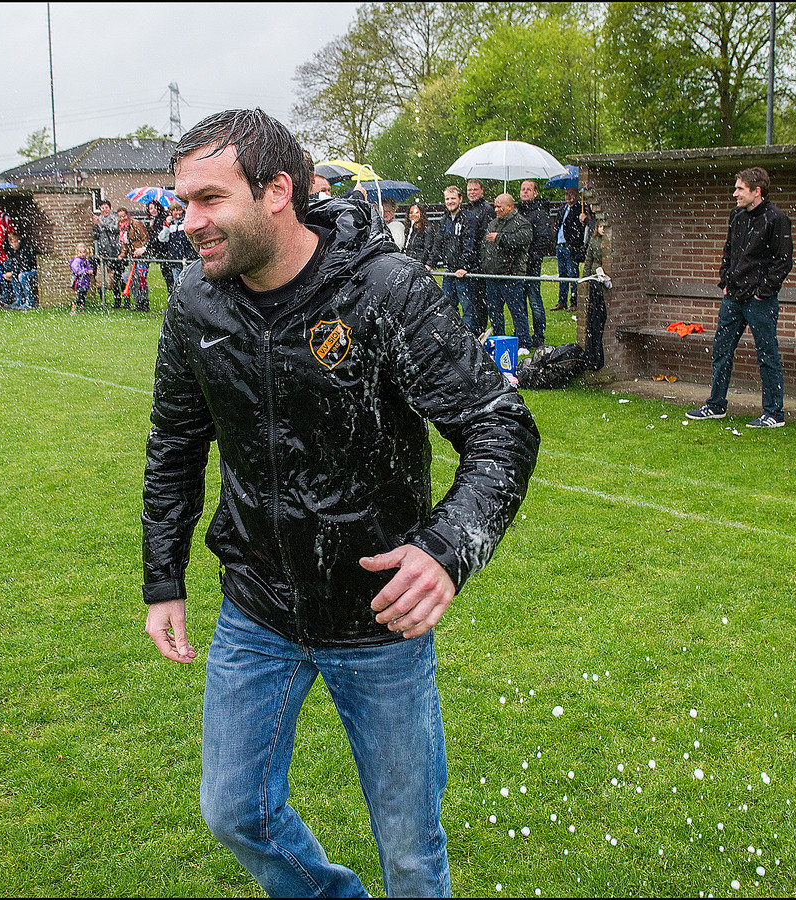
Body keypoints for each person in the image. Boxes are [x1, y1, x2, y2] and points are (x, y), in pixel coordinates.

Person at [142, 108, 538, 899]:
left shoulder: (382, 289)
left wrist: (447, 546)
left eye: (208, 200)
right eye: (184, 201)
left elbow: (499, 425)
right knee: (234, 815)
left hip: (377, 620)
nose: (188, 224)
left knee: (410, 848)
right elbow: (175, 444)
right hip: (257, 607)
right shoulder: (195, 303)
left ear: (276, 191)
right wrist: (163, 576)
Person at [687, 166, 794, 428]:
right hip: (732, 297)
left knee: (767, 355)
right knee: (721, 350)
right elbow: (729, 250)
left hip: (759, 301)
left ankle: (774, 413)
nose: (735, 193)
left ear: (757, 191)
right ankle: (716, 405)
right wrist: (725, 280)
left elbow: (783, 262)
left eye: (740, 189)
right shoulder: (736, 216)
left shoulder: (776, 219)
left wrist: (762, 292)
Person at [481, 192, 534, 350]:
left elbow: (523, 240)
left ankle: (524, 342)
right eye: (495, 206)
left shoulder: (522, 223)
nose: (496, 209)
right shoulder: (492, 223)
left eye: (500, 206)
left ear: (510, 207)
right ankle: (498, 340)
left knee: (517, 311)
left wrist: (500, 237)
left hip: (511, 276)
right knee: (494, 312)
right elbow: (485, 247)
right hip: (492, 275)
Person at [436, 185, 479, 331]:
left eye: (453, 198)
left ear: (460, 199)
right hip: (449, 270)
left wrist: (464, 266)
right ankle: (452, 334)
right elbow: (438, 243)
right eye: (447, 199)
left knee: (467, 307)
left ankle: (469, 336)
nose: (450, 201)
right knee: (448, 306)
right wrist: (429, 263)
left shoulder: (468, 218)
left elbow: (470, 244)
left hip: (464, 272)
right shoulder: (444, 219)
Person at [516, 180, 553, 348]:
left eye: (528, 190)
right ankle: (522, 334)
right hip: (517, 266)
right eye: (523, 189)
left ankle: (539, 335)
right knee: (519, 301)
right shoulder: (517, 212)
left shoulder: (540, 213)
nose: (525, 192)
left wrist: (531, 259)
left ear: (535, 192)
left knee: (535, 301)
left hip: (531, 264)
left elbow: (543, 239)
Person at [463, 178, 494, 332]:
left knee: (480, 299)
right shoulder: (466, 209)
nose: (472, 192)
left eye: (475, 189)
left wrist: (476, 257)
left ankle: (480, 329)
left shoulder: (487, 210)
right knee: (471, 299)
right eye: (469, 190)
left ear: (482, 191)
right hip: (468, 260)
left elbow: (483, 237)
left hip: (479, 262)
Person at [581, 206, 608, 371]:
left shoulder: (609, 242)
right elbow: (589, 259)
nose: (602, 229)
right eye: (600, 226)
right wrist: (584, 278)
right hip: (594, 276)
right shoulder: (594, 241)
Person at [552, 187, 583, 310]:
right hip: (560, 245)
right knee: (562, 275)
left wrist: (572, 245)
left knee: (572, 275)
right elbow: (558, 225)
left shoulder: (579, 209)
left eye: (571, 194)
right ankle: (562, 301)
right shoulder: (562, 208)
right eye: (566, 194)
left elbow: (580, 229)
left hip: (570, 246)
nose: (568, 196)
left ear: (576, 195)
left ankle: (574, 302)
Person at [116, 206, 150, 311]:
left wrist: (141, 249)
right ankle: (138, 303)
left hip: (142, 256)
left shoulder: (135, 224)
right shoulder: (122, 227)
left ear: (127, 215)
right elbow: (125, 243)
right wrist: (122, 254)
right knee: (130, 278)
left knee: (141, 279)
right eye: (120, 217)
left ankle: (144, 303)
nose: (122, 218)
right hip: (133, 257)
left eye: (124, 216)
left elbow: (146, 237)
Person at [158, 200, 195, 289]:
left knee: (189, 283)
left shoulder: (186, 221)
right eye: (175, 210)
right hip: (175, 258)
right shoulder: (169, 225)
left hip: (187, 256)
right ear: (171, 212)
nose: (178, 213)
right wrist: (166, 225)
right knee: (177, 283)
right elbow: (162, 239)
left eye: (179, 210)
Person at [0, 230, 38, 309]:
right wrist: (11, 274)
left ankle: (30, 302)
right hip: (25, 270)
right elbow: (16, 266)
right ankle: (19, 299)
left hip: (35, 271)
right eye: (12, 242)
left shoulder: (25, 250)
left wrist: (13, 273)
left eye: (16, 242)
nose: (14, 244)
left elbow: (26, 266)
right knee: (14, 275)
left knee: (21, 276)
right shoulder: (13, 252)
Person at [92, 198, 121, 292]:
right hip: (104, 251)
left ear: (110, 208)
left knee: (118, 276)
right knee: (106, 277)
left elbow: (116, 229)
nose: (104, 209)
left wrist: (103, 224)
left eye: (106, 207)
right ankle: (110, 301)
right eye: (102, 208)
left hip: (115, 250)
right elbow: (96, 236)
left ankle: (125, 300)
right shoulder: (99, 219)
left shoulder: (115, 218)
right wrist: (95, 226)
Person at [398, 202, 435, 269]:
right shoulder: (408, 230)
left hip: (419, 265)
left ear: (421, 214)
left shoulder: (427, 230)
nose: (413, 215)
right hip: (408, 264)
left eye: (416, 212)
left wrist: (420, 264)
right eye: (411, 213)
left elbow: (427, 249)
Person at [69, 242, 94, 314]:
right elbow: (77, 270)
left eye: (84, 252)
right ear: (77, 252)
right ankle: (74, 307)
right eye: (80, 252)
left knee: (83, 295)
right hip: (80, 281)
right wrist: (86, 271)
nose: (82, 254)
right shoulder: (77, 261)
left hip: (85, 281)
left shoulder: (86, 261)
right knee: (80, 295)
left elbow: (88, 267)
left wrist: (90, 270)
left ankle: (81, 308)